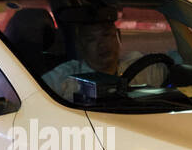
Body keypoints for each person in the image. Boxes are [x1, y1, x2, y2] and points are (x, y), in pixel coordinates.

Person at [42, 7, 170, 102]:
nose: (102, 44)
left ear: (118, 37)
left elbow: (185, 64)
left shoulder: (144, 69)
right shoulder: (63, 79)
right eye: (91, 39)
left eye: (106, 35)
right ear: (80, 46)